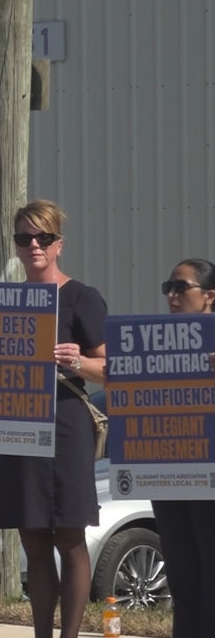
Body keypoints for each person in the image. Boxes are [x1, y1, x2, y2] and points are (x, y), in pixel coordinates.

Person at [0, 200, 106, 638]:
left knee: (69, 538)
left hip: (66, 421)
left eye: (43, 238)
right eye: (25, 238)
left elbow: (111, 369)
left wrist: (78, 360)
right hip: (19, 425)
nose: (34, 245)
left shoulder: (82, 297)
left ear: (59, 244)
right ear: (17, 246)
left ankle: (70, 634)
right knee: (34, 538)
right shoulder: (5, 301)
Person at [151, 258, 215, 638]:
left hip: (209, 471)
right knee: (182, 572)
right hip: (167, 467)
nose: (172, 296)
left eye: (181, 287)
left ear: (209, 296)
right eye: (168, 288)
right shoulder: (153, 342)